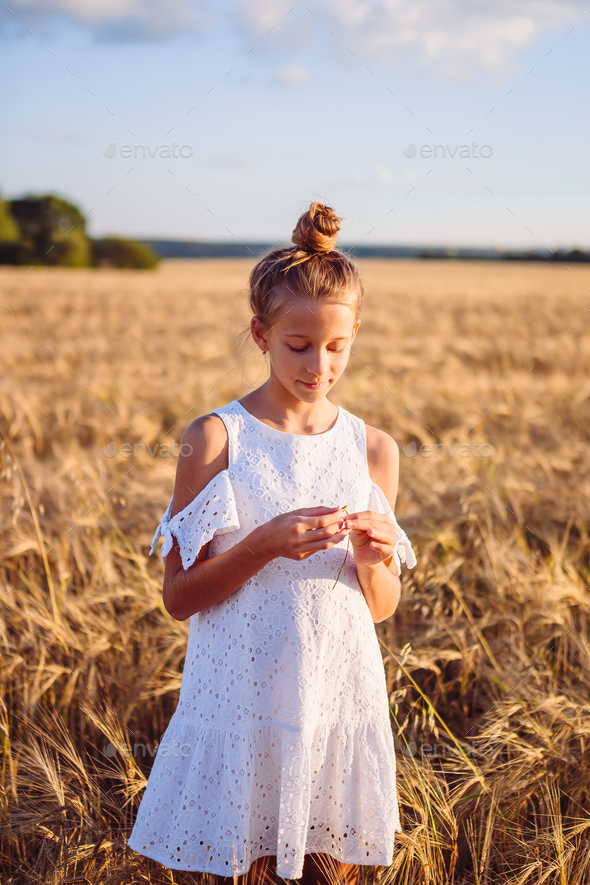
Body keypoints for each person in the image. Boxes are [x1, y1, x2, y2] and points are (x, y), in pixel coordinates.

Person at [126, 201, 417, 884]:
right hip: (243, 707)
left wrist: (375, 560)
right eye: (299, 345)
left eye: (338, 346)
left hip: (335, 704)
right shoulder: (217, 439)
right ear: (261, 333)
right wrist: (259, 545)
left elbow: (378, 607)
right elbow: (178, 597)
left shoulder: (373, 449)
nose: (320, 365)